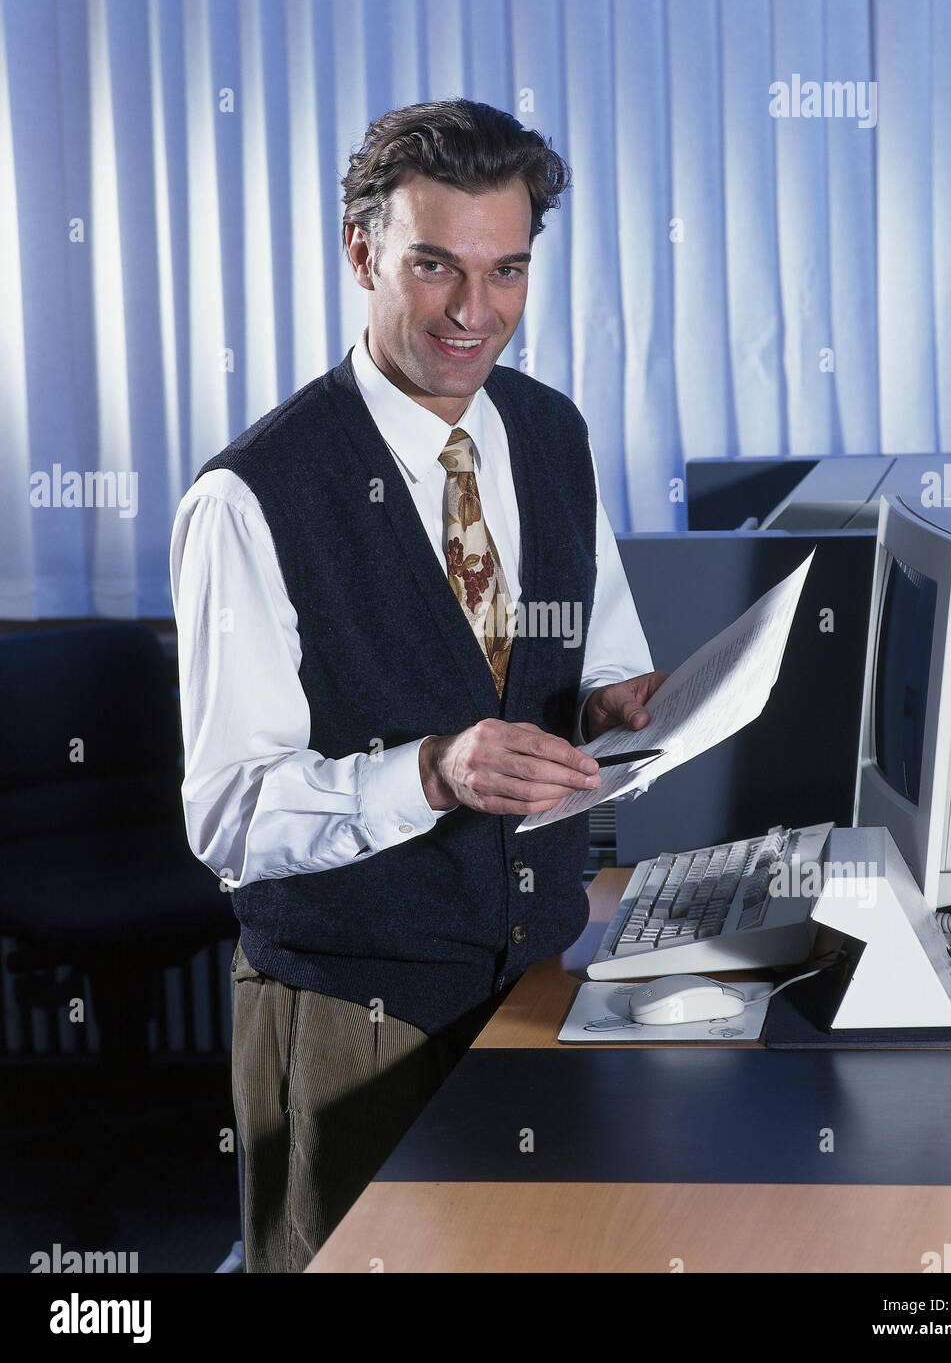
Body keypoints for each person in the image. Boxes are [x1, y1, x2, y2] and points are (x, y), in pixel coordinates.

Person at [170, 98, 667, 1273]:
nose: (472, 311)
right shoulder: (251, 497)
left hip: (539, 978)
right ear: (362, 254)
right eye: (434, 265)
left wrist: (616, 699)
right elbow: (226, 815)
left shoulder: (552, 434)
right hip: (354, 1013)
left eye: (507, 271)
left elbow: (586, 641)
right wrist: (433, 772)